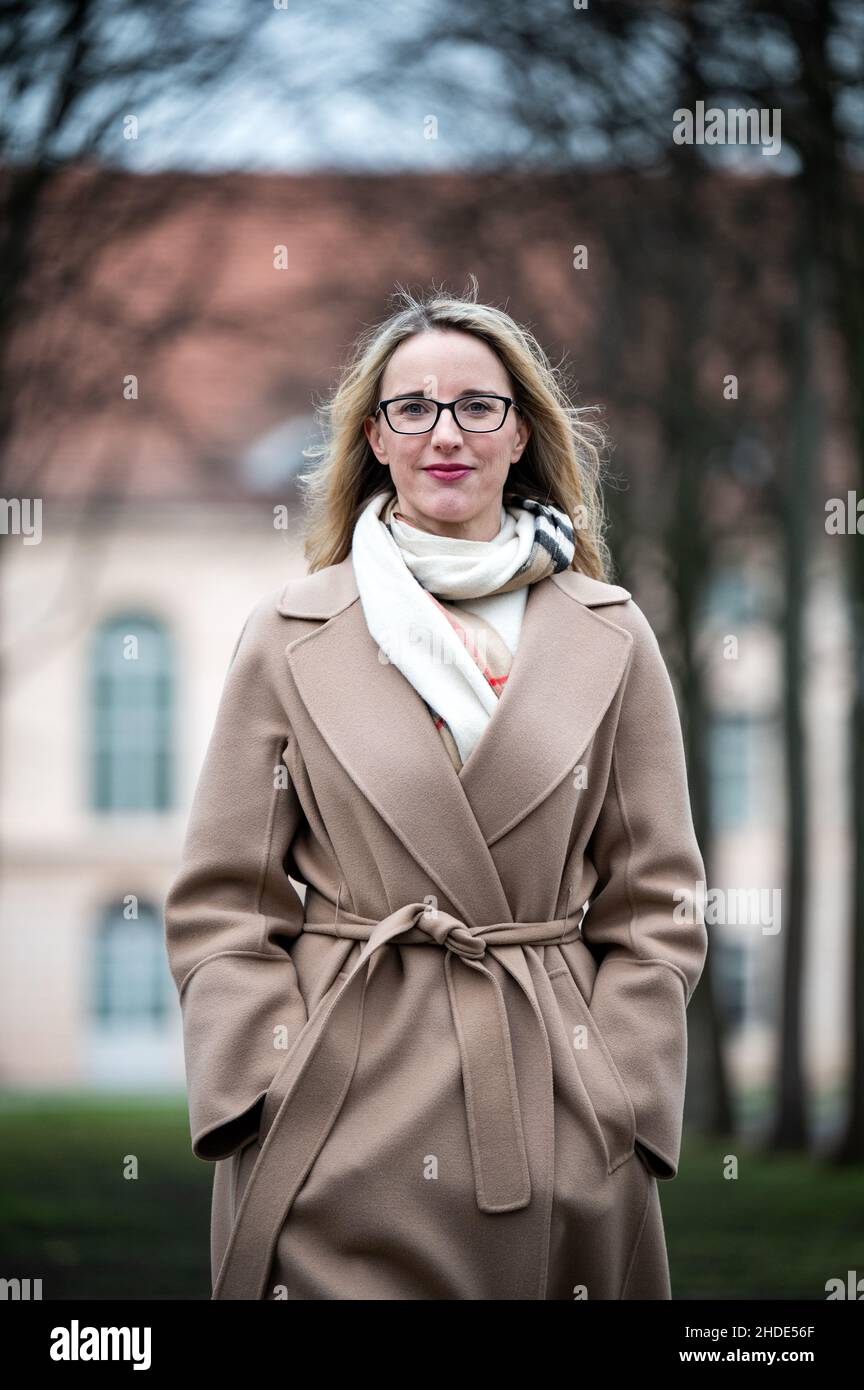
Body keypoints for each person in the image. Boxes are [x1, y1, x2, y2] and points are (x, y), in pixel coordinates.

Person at [164, 279, 708, 1301]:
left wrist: (619, 1095)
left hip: (554, 1104)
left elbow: (658, 907)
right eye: (413, 407)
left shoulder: (611, 630)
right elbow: (221, 902)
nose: (444, 432)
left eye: (477, 406)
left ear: (519, 433)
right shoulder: (291, 631)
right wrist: (260, 1084)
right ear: (375, 436)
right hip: (333, 1104)